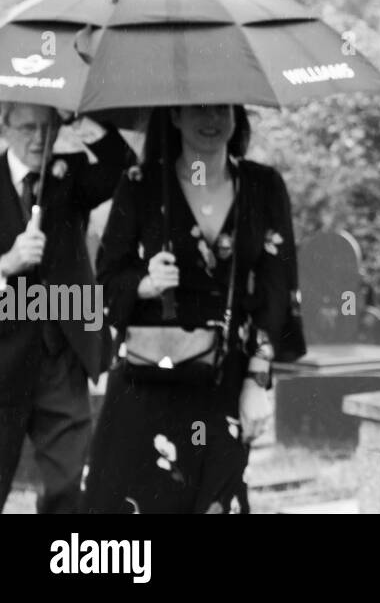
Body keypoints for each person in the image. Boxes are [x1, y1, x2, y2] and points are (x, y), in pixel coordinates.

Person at [84, 104, 303, 513]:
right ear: (175, 116)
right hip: (147, 379)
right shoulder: (140, 183)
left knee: (217, 499)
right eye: (198, 108)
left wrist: (258, 380)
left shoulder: (263, 186)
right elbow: (106, 284)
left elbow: (278, 291)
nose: (211, 119)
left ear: (237, 117)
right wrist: (145, 284)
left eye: (222, 108)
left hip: (225, 380)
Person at [0, 105, 134, 513]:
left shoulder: (68, 174)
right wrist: (7, 262)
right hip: (3, 356)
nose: (39, 138)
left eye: (47, 127)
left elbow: (120, 163)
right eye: (27, 127)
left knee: (68, 482)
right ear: (4, 127)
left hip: (62, 355)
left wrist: (81, 118)